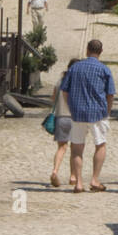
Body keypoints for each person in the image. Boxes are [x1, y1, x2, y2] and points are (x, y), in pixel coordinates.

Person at [58, 39, 115, 193]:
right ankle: (95, 180)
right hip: (98, 112)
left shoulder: (75, 68)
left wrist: (70, 107)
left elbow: (64, 90)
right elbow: (110, 94)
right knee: (100, 145)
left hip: (78, 113)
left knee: (76, 149)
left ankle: (78, 183)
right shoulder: (104, 70)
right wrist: (107, 111)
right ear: (101, 52)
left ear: (87, 50)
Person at [49, 58, 78, 188]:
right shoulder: (77, 83)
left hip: (60, 117)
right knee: (75, 149)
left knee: (61, 147)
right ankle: (73, 176)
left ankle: (55, 171)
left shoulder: (60, 81)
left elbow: (53, 98)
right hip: (74, 118)